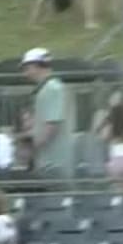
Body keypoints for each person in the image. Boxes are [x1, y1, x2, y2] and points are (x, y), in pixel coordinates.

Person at [18, 48, 75, 181]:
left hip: (55, 161)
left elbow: (51, 126)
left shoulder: (52, 89)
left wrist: (32, 148)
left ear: (37, 66)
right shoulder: (45, 89)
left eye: (27, 68)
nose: (25, 73)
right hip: (46, 160)